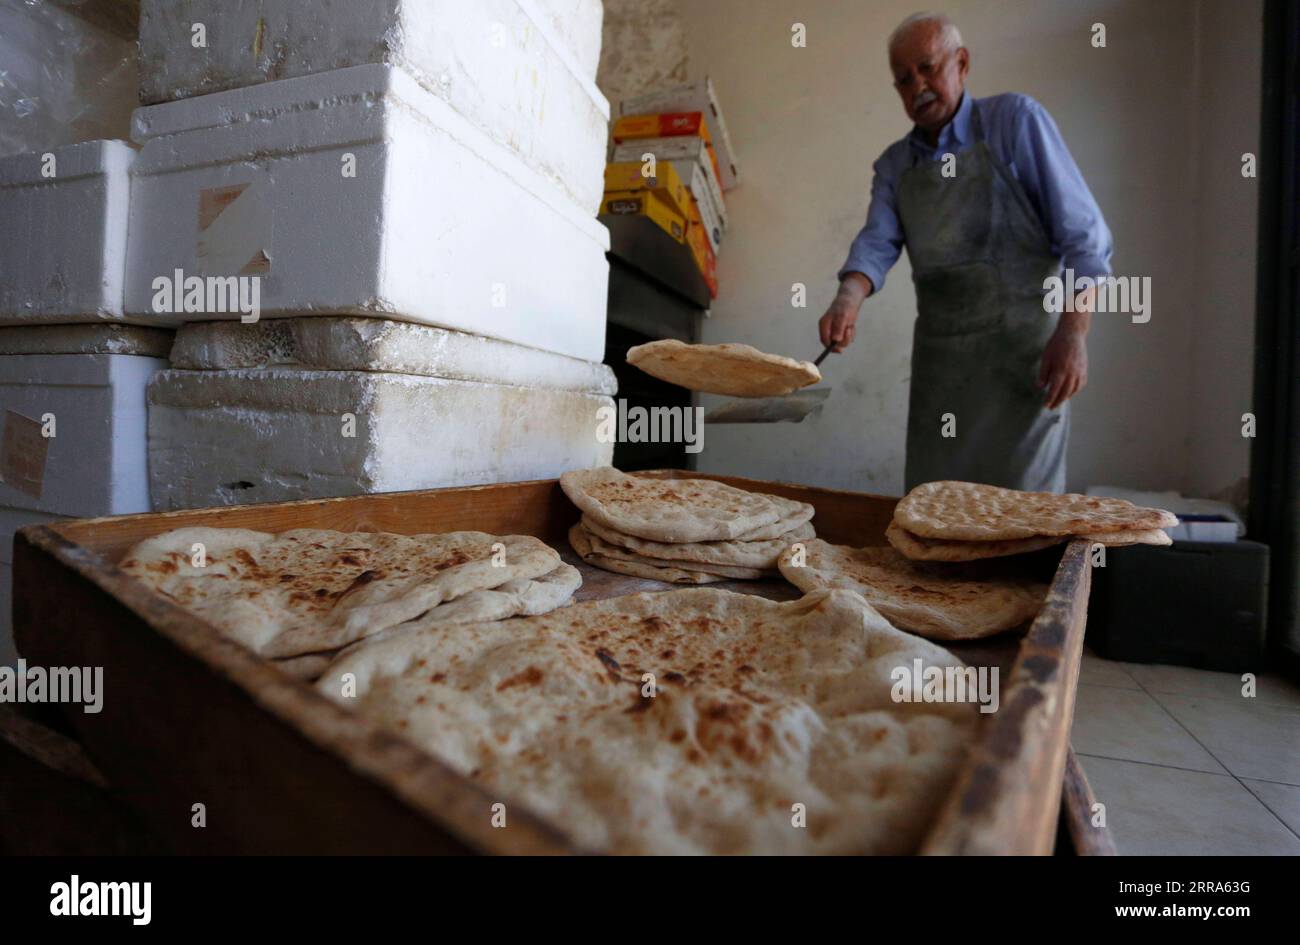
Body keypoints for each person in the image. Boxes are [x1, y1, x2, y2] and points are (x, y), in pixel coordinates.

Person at [820, 12, 1112, 492]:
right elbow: (876, 242)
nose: (918, 86)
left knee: (1022, 527)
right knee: (935, 521)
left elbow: (1086, 240)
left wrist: (1074, 333)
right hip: (943, 380)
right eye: (904, 79)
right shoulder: (896, 166)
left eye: (928, 68)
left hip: (1027, 369)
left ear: (962, 62)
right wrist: (847, 299)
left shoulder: (1016, 122)